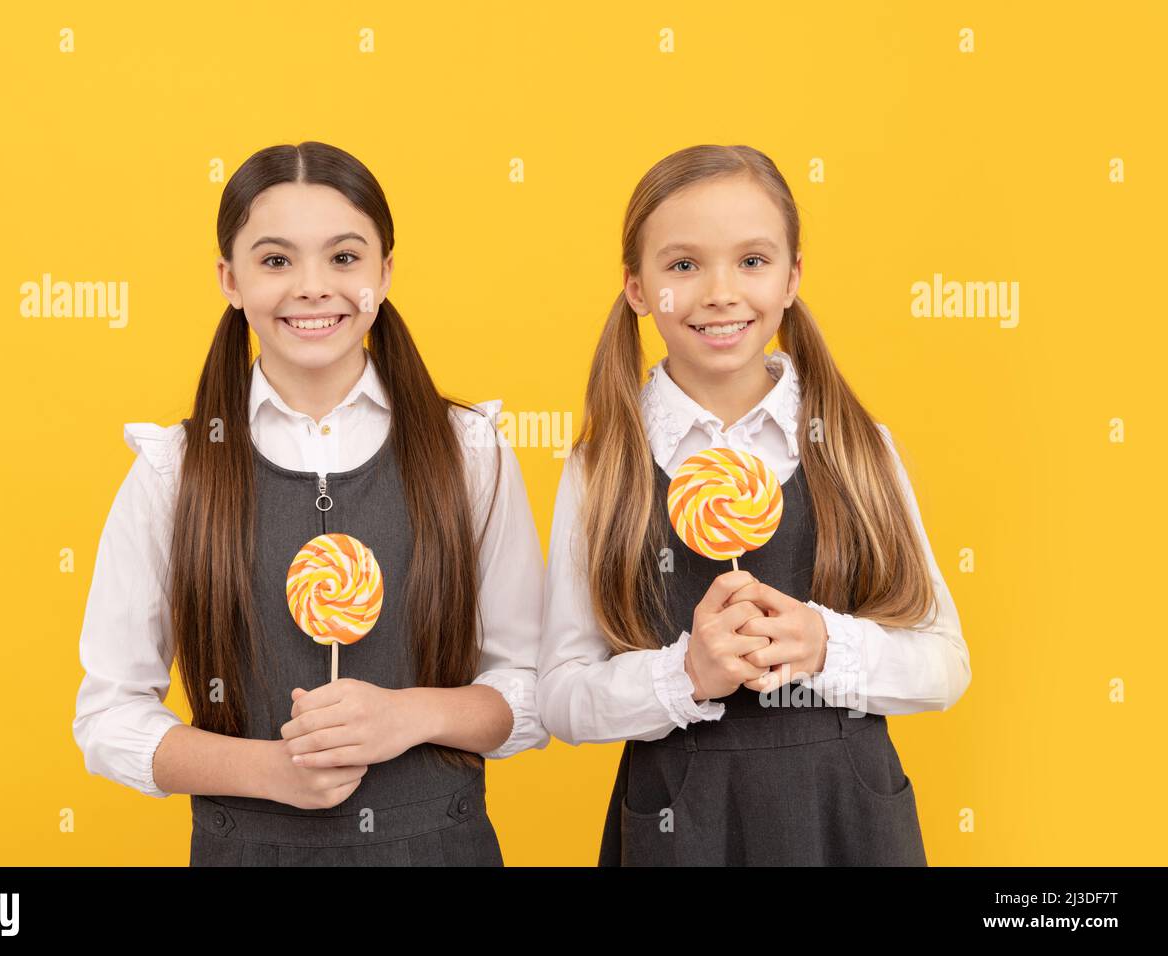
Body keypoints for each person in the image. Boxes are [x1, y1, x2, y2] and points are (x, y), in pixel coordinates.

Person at [73, 141, 548, 866]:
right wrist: (266, 771)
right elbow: (108, 715)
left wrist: (406, 717)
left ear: (385, 272)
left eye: (344, 257)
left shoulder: (469, 451)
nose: (312, 287)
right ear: (229, 280)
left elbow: (532, 688)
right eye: (275, 261)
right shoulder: (175, 470)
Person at [537, 144, 971, 866]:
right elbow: (560, 696)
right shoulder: (602, 466)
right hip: (682, 822)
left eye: (752, 261)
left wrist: (824, 644)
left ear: (793, 277)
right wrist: (687, 674)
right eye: (682, 265)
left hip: (847, 817)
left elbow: (945, 663)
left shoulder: (858, 447)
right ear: (638, 289)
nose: (719, 292)